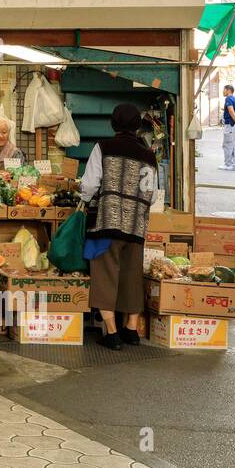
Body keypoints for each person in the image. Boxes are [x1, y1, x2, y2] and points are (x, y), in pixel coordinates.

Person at [80, 103, 156, 351]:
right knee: (132, 276)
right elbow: (153, 196)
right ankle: (131, 329)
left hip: (108, 223)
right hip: (137, 226)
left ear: (113, 124)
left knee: (105, 275)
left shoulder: (104, 147)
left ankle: (112, 333)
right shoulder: (149, 155)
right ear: (138, 126)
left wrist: (84, 200)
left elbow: (90, 185)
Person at [220, 84, 235, 171]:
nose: (223, 91)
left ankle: (228, 164)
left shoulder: (228, 99)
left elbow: (230, 110)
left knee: (227, 145)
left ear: (228, 90)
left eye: (224, 90)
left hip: (231, 125)